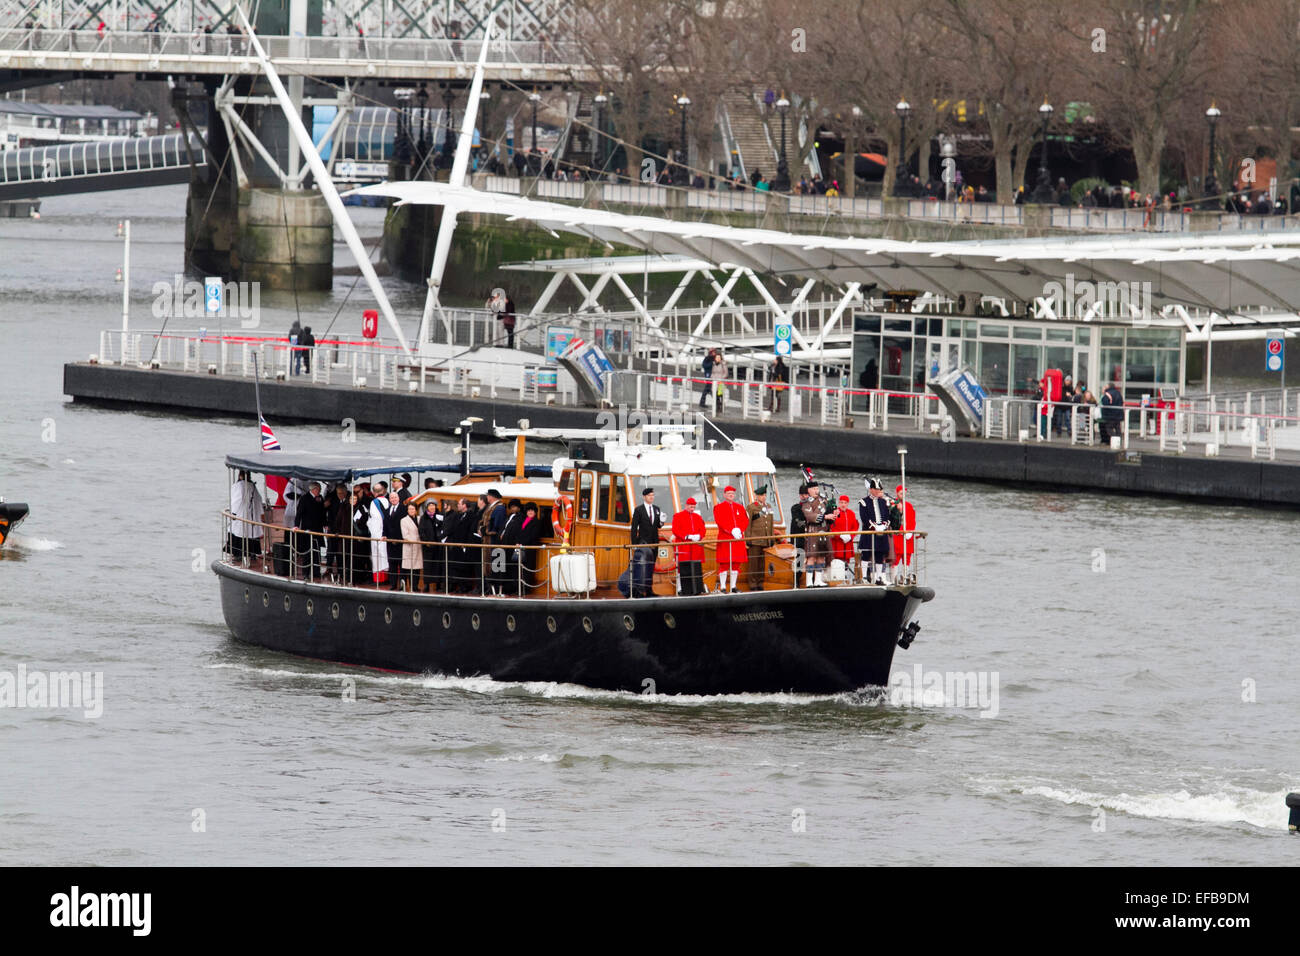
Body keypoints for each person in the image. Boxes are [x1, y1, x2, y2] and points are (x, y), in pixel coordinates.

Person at [712, 485, 749, 593]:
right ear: (724, 495)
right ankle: (723, 587)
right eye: (729, 493)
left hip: (737, 539)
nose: (731, 495)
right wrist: (731, 530)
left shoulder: (740, 507)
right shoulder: (718, 507)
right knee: (724, 563)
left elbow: (745, 520)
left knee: (736, 563)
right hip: (725, 538)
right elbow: (720, 521)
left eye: (732, 493)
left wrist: (740, 530)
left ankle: (733, 587)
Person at [629, 487, 664, 598]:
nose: (651, 497)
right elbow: (634, 528)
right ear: (644, 497)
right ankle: (638, 591)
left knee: (651, 566)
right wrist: (634, 544)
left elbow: (658, 525)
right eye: (649, 495)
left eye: (653, 495)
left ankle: (649, 591)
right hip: (643, 543)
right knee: (641, 566)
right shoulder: (638, 510)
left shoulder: (657, 509)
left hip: (654, 542)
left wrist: (662, 521)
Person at [800, 481, 836, 587]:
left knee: (821, 556)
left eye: (817, 488)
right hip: (813, 532)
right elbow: (810, 516)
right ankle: (809, 582)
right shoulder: (806, 503)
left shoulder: (824, 500)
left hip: (823, 531)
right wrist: (825, 517)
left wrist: (833, 514)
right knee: (811, 557)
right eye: (814, 489)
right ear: (809, 490)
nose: (816, 491)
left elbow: (829, 514)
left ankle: (818, 580)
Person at [858, 477, 893, 585]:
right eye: (876, 489)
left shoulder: (884, 502)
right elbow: (864, 518)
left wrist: (883, 526)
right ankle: (864, 577)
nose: (878, 491)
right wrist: (874, 527)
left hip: (881, 533)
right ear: (871, 489)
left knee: (880, 555)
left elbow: (887, 517)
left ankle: (879, 578)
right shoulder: (863, 502)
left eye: (879, 489)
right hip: (869, 533)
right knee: (866, 554)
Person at [671, 497, 706, 596]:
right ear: (686, 506)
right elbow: (675, 530)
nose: (692, 509)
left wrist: (699, 536)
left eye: (694, 507)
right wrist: (686, 536)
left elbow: (703, 529)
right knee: (681, 568)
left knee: (695, 567)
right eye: (691, 507)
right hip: (683, 546)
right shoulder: (678, 516)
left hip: (695, 546)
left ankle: (696, 588)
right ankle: (680, 588)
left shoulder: (698, 517)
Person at [293, 481, 327, 580]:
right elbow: (299, 513)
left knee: (317, 551)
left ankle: (316, 572)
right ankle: (306, 573)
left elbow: (323, 513)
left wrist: (325, 524)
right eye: (318, 489)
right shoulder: (304, 499)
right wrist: (296, 525)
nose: (319, 491)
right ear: (313, 489)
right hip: (308, 529)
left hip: (318, 529)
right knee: (307, 552)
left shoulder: (320, 498)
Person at [745, 484, 775, 591]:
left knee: (762, 564)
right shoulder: (751, 507)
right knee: (753, 563)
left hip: (765, 539)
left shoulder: (769, 507)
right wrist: (748, 539)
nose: (764, 497)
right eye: (762, 495)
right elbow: (747, 524)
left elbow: (770, 523)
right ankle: (753, 584)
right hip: (755, 539)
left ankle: (760, 582)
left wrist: (771, 538)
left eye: (765, 495)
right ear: (757, 496)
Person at [229, 470, 264, 565]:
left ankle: (238, 554)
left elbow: (236, 500)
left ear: (240, 476)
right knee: (250, 533)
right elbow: (259, 499)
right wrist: (260, 512)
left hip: (241, 513)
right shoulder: (252, 486)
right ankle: (252, 553)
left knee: (239, 532)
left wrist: (233, 513)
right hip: (252, 514)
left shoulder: (238, 486)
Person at [514, 502, 545, 592]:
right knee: (519, 568)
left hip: (530, 549)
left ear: (535, 512)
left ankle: (526, 589)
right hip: (520, 547)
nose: (530, 512)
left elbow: (533, 536)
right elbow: (518, 533)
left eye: (532, 510)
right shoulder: (524, 521)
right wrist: (517, 542)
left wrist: (522, 543)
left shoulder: (537, 522)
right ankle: (518, 588)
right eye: (528, 510)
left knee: (527, 569)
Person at [829, 493, 860, 582]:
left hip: (848, 541)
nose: (843, 505)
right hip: (837, 541)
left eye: (845, 503)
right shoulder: (835, 513)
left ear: (848, 504)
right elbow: (831, 527)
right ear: (839, 503)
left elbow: (855, 526)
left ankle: (845, 576)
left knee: (847, 559)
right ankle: (837, 578)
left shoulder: (851, 513)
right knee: (837, 559)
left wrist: (851, 536)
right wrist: (840, 535)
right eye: (841, 502)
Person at [890, 486, 917, 584]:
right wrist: (901, 530)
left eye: (904, 493)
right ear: (897, 493)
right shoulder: (893, 504)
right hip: (898, 535)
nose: (903, 495)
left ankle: (905, 577)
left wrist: (910, 531)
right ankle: (894, 579)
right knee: (895, 558)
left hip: (908, 536)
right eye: (901, 493)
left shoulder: (909, 505)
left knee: (907, 557)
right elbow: (894, 520)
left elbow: (913, 520)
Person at [418, 499, 444, 592]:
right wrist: (426, 542)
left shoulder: (440, 516)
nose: (432, 507)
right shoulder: (423, 518)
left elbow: (443, 528)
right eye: (430, 505)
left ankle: (438, 585)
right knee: (428, 566)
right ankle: (427, 585)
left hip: (438, 545)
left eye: (433, 505)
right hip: (427, 546)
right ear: (427, 507)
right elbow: (421, 531)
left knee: (438, 565)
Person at [367, 485, 390, 587]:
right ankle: (386, 578)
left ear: (374, 492)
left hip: (377, 533)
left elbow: (375, 519)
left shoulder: (374, 502)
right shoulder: (387, 501)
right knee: (385, 556)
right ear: (383, 491)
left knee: (377, 556)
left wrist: (370, 527)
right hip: (385, 533)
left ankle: (378, 579)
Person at [789, 482, 809, 587]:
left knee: (812, 559)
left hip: (811, 539)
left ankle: (811, 581)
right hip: (799, 539)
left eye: (806, 494)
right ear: (800, 495)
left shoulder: (814, 507)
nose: (804, 496)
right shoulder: (795, 508)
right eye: (803, 494)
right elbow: (798, 522)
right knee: (799, 561)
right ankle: (796, 582)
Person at [399, 502, 422, 592]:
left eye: (413, 509)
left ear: (416, 510)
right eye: (409, 509)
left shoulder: (420, 519)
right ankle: (407, 586)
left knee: (417, 568)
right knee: (408, 568)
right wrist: (415, 540)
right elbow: (405, 535)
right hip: (409, 546)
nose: (411, 511)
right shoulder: (404, 520)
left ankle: (415, 586)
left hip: (418, 547)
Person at [711, 348, 728, 415]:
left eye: (719, 357)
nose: (717, 359)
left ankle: (720, 406)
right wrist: (712, 378)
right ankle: (717, 406)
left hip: (721, 382)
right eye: (716, 357)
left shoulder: (723, 364)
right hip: (714, 382)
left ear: (721, 358)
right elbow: (712, 372)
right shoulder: (713, 364)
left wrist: (721, 379)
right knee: (714, 394)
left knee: (720, 395)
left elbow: (726, 373)